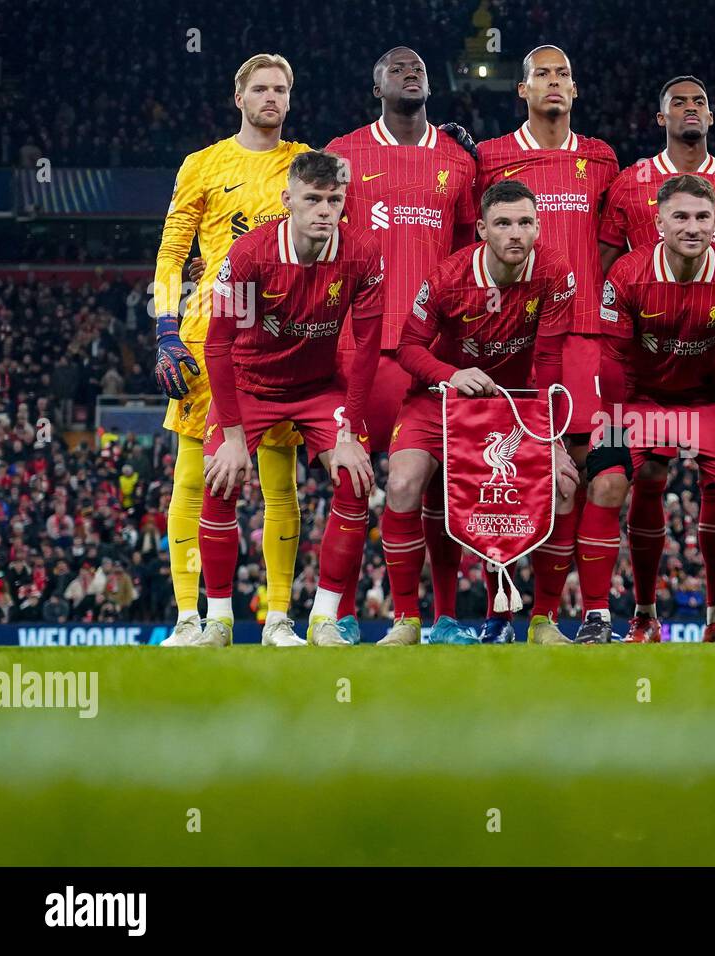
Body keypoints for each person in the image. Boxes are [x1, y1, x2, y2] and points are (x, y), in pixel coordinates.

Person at [597, 74, 715, 644]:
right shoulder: (627, 203)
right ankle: (632, 617)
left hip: (707, 394)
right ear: (658, 222)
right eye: (678, 101)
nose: (693, 226)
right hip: (644, 394)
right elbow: (613, 350)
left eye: (700, 100)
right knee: (632, 478)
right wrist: (618, 419)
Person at [192, 150, 384, 647]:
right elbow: (217, 345)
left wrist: (347, 433)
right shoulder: (249, 255)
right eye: (313, 199)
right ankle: (218, 621)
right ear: (288, 201)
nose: (325, 210)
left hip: (319, 387)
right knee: (219, 479)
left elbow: (365, 349)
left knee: (356, 479)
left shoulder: (362, 253)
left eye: (334, 200)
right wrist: (233, 437)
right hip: (250, 384)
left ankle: (323, 621)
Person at [379, 179, 579, 646]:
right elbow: (408, 347)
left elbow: (548, 362)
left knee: (566, 485)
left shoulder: (554, 272)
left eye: (525, 222)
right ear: (483, 230)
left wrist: (552, 441)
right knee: (404, 482)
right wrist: (450, 374)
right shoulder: (448, 277)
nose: (516, 233)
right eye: (503, 223)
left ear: (538, 227)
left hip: (513, 401)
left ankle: (544, 621)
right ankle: (406, 621)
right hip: (440, 397)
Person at [152, 54, 310, 647]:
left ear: (290, 100)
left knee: (279, 485)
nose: (271, 97)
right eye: (261, 88)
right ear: (238, 97)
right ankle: (192, 619)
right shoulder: (202, 165)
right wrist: (166, 330)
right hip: (209, 333)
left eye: (281, 89)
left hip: (285, 337)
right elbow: (172, 255)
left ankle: (278, 620)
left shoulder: (303, 164)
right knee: (194, 480)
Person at [323, 45, 479, 643]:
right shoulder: (342, 153)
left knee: (435, 485)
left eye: (420, 66)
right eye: (396, 68)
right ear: (376, 86)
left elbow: (470, 255)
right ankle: (335, 616)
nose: (412, 72)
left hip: (436, 353)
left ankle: (437, 619)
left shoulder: (458, 161)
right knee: (354, 482)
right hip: (359, 347)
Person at [473, 45, 619, 639]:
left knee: (579, 474)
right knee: (500, 478)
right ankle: (494, 614)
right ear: (523, 90)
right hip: (505, 337)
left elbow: (611, 241)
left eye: (563, 74)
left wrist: (585, 287)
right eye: (542, 75)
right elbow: (472, 238)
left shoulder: (602, 158)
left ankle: (546, 614)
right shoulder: (491, 158)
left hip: (583, 335)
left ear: (575, 89)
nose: (553, 83)